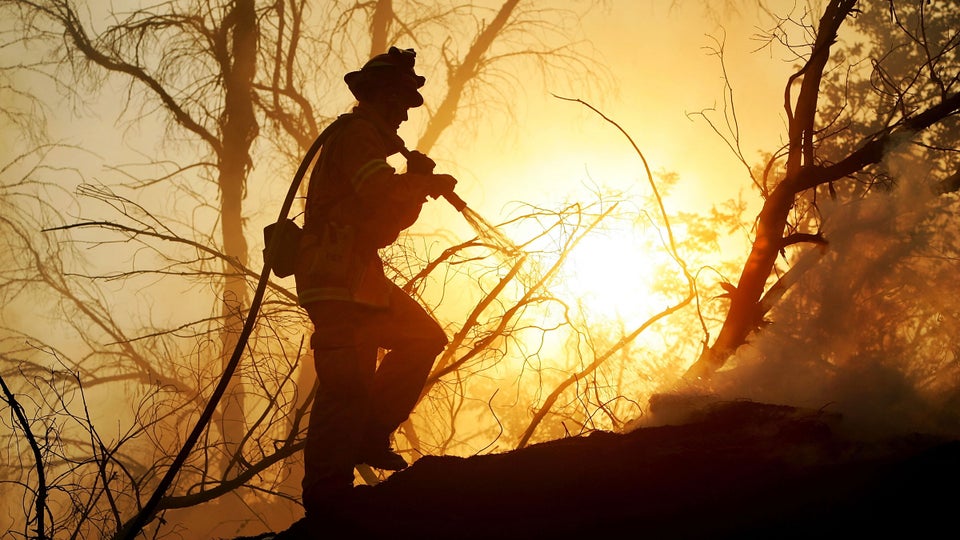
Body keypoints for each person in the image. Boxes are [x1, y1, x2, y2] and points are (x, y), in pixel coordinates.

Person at [293, 46, 456, 520]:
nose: (406, 116)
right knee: (346, 384)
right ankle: (327, 497)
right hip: (335, 278)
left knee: (423, 338)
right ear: (383, 96)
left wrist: (418, 185)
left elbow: (384, 224)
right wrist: (418, 182)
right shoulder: (359, 135)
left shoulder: (363, 138)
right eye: (403, 103)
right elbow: (381, 194)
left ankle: (369, 433)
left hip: (358, 276)